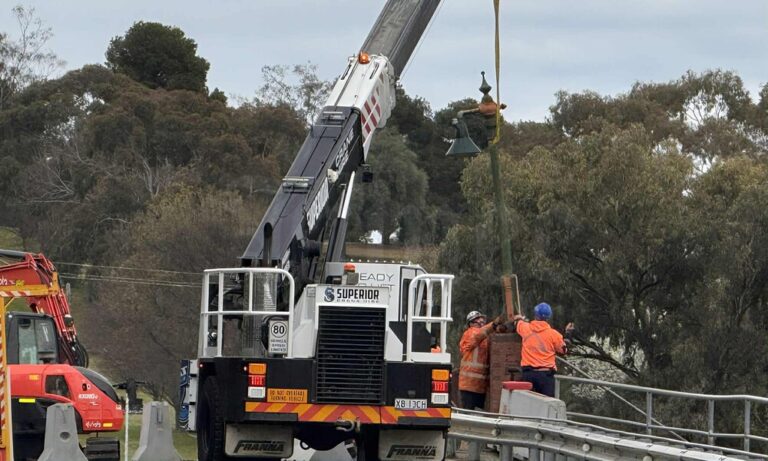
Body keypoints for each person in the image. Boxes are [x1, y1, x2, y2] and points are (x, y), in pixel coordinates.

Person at [512, 302, 574, 397]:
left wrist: (519, 318)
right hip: (545, 376)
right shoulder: (554, 335)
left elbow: (517, 323)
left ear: (535, 315)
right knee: (546, 407)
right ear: (548, 318)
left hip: (528, 375)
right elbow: (563, 350)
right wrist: (568, 333)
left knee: (526, 405)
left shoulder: (525, 328)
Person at [459, 310, 502, 410]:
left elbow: (487, 334)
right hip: (469, 385)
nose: (481, 320)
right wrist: (493, 325)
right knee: (469, 414)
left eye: (482, 318)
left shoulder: (484, 337)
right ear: (471, 323)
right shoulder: (469, 334)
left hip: (480, 386)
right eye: (478, 319)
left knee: (478, 414)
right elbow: (479, 334)